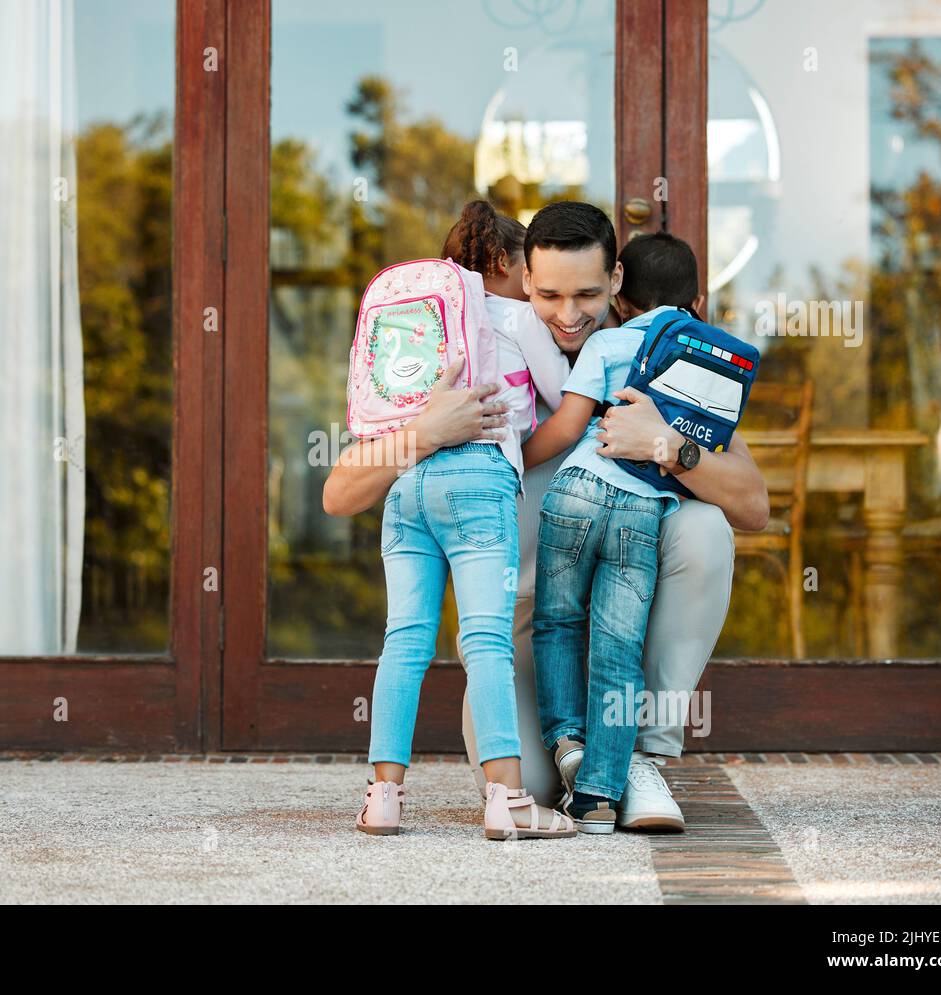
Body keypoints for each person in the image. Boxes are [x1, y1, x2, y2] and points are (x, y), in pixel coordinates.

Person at [325, 203, 768, 831]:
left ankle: (638, 755)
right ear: (522, 281)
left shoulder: (656, 364)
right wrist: (423, 436)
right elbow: (340, 493)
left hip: (627, 625)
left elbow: (752, 506)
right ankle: (567, 756)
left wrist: (666, 443)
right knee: (526, 783)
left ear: (616, 282)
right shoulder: (482, 359)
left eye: (587, 294)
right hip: (523, 640)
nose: (568, 315)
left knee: (704, 529)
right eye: (550, 295)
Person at [345, 207, 575, 840]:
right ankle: (508, 802)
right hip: (478, 480)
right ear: (506, 264)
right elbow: (559, 393)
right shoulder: (516, 315)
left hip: (407, 481)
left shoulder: (421, 321)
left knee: (405, 640)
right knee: (486, 642)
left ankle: (383, 799)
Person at [521, 220, 706, 832]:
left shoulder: (609, 343)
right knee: (617, 651)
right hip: (641, 512)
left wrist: (507, 458)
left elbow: (569, 428)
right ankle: (599, 799)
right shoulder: (703, 360)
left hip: (578, 492)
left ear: (619, 296)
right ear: (696, 305)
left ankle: (567, 742)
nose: (571, 313)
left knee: (557, 623)